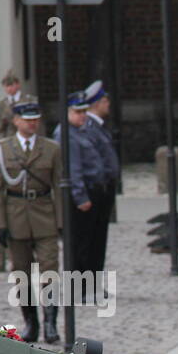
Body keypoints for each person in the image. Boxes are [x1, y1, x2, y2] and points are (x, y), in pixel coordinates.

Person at [0, 101, 62, 343]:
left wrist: (61, 221)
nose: (33, 123)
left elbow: (59, 188)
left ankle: (51, 322)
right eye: (28, 119)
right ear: (16, 121)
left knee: (50, 271)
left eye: (36, 118)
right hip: (15, 217)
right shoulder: (2, 150)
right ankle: (31, 322)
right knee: (21, 274)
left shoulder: (51, 149)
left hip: (44, 216)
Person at [52, 89, 103, 312]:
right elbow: (73, 170)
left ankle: (86, 287)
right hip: (78, 197)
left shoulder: (80, 131)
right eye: (77, 112)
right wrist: (81, 196)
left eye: (83, 111)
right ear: (67, 112)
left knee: (88, 244)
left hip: (90, 192)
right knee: (78, 246)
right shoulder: (66, 134)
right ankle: (77, 290)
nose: (82, 116)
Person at [82, 80, 119, 282]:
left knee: (99, 239)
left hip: (103, 190)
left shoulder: (98, 126)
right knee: (91, 241)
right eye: (105, 100)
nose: (108, 104)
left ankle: (94, 282)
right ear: (96, 103)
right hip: (94, 190)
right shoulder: (89, 126)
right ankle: (87, 284)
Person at [0, 70, 33, 138]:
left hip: (25, 136)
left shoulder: (27, 100)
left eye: (11, 85)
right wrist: (3, 121)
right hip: (9, 137)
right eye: (6, 86)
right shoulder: (2, 104)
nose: (9, 88)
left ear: (18, 85)